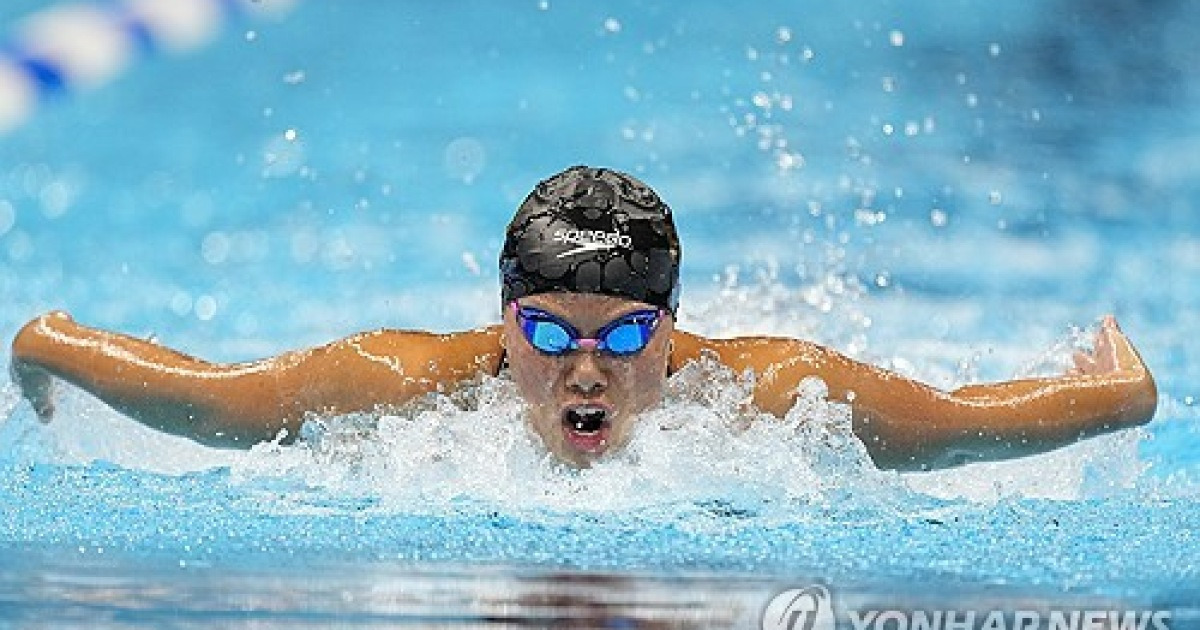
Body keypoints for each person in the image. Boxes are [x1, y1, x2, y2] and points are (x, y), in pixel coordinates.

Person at [7, 166, 1157, 470]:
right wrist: (48, 347)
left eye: (621, 339)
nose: (586, 375)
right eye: (550, 338)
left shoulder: (767, 394)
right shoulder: (402, 384)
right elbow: (213, 401)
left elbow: (958, 424)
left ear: (670, 328)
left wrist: (1112, 391)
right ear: (504, 325)